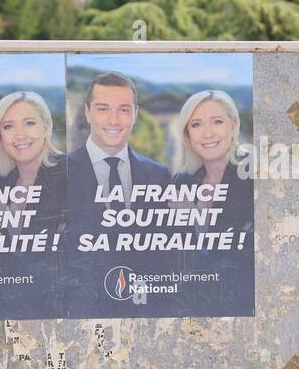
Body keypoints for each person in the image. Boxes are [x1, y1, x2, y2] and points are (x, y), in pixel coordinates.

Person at [65, 72, 171, 317]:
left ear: (135, 113)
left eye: (124, 109)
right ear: (87, 113)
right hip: (80, 312)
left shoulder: (158, 175)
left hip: (144, 310)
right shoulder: (59, 174)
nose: (114, 119)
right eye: (103, 109)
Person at [0, 91, 66, 317]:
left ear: (46, 127)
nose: (20, 135)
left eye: (29, 123)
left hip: (59, 307)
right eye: (8, 126)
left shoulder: (72, 174)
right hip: (8, 310)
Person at [169, 89, 254, 315]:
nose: (207, 134)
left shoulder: (254, 177)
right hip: (191, 306)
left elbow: (245, 258)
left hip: (241, 305)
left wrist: (194, 221)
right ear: (187, 134)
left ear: (233, 125)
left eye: (217, 122)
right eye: (196, 125)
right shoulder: (181, 182)